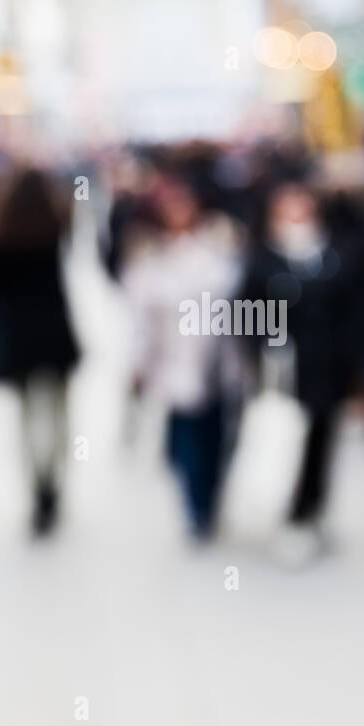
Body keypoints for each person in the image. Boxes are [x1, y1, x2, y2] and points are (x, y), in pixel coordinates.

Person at [238, 182, 360, 565]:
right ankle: (286, 514)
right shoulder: (263, 263)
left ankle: (310, 510)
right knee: (282, 445)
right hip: (282, 377)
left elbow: (353, 314)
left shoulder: (334, 258)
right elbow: (245, 315)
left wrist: (354, 369)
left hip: (327, 372)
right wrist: (264, 347)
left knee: (321, 444)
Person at [122, 170, 242, 540]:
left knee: (219, 436)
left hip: (220, 362)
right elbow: (141, 319)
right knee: (187, 437)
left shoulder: (223, 248)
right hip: (175, 363)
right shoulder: (149, 259)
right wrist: (138, 366)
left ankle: (211, 497)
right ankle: (196, 507)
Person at [0, 166, 81, 538]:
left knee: (26, 417)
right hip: (55, 333)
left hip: (18, 336)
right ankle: (51, 480)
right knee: (56, 413)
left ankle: (37, 484)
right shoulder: (56, 223)